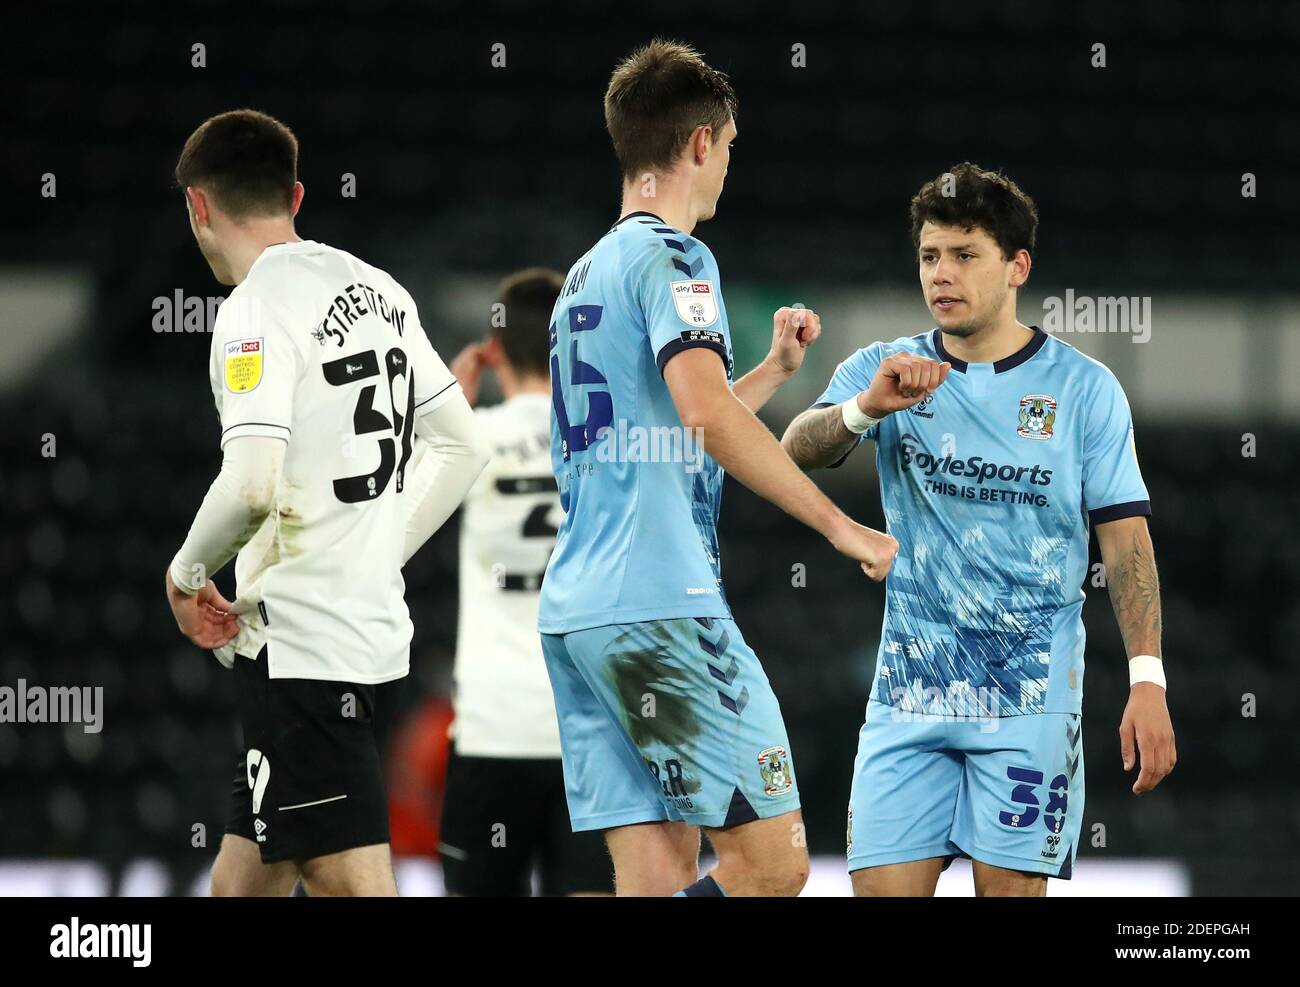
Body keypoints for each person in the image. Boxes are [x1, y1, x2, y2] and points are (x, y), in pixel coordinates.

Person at [538, 40, 897, 898]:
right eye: (730, 146)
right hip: (660, 605)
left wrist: (769, 376)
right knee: (771, 866)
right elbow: (701, 414)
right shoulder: (677, 258)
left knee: (658, 875)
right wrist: (840, 525)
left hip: (581, 613)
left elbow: (666, 425)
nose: (730, 166)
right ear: (700, 143)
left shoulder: (581, 281)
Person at [782, 162, 1176, 896]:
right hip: (909, 697)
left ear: (1017, 266)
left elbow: (1126, 543)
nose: (942, 273)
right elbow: (795, 449)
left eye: (966, 255)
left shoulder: (1083, 389)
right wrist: (867, 408)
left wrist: (1146, 678)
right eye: (930, 255)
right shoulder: (886, 368)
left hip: (1030, 701)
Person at [164, 109, 491, 896]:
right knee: (246, 879)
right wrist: (373, 548)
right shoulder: (378, 288)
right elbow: (461, 445)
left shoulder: (251, 309)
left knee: (349, 879)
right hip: (367, 640)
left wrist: (184, 576)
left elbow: (250, 483)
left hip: (301, 649)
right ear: (297, 196)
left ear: (198, 207)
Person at [438, 267, 612, 896]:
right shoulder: (612, 441)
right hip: (594, 729)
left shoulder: (471, 439)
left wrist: (449, 408)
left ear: (494, 348)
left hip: (494, 727)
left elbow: (389, 506)